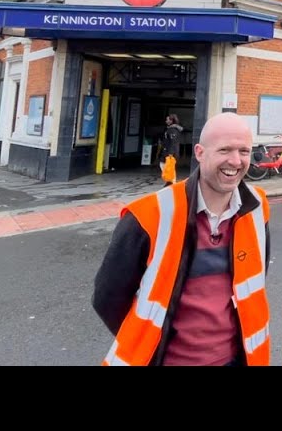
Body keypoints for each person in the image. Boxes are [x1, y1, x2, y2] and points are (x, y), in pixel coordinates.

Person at [93, 112, 271, 366]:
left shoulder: (257, 207)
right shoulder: (148, 215)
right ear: (200, 153)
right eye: (224, 150)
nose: (235, 160)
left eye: (244, 151)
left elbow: (253, 280)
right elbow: (107, 299)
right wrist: (152, 344)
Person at [159, 114, 184, 184]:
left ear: (171, 120)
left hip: (169, 152)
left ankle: (172, 182)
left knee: (167, 167)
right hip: (168, 151)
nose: (166, 121)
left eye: (167, 120)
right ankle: (170, 182)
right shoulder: (170, 129)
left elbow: (173, 142)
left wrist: (171, 153)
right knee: (168, 167)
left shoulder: (173, 130)